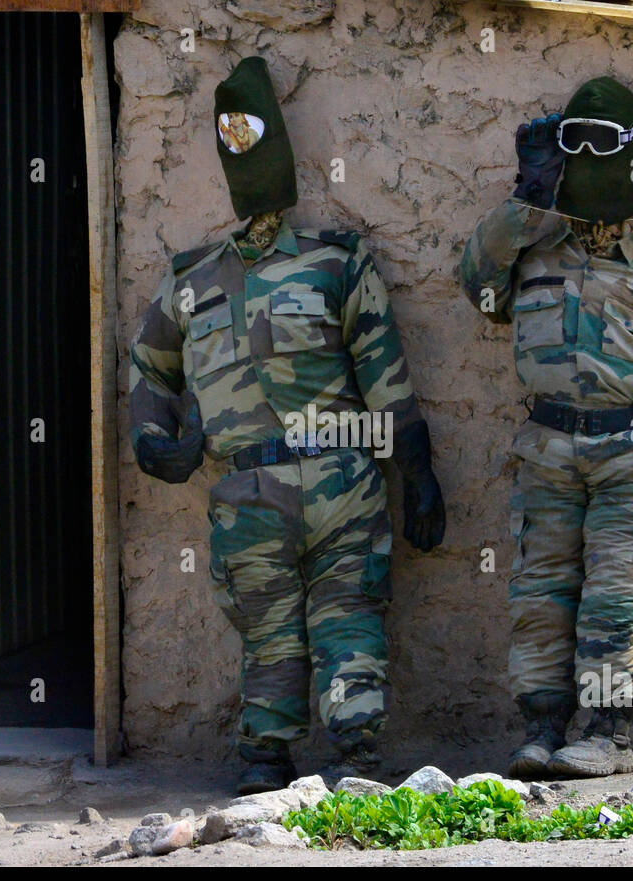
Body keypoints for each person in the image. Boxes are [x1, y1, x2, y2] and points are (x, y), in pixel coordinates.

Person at [129, 56, 446, 794]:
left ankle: (353, 767)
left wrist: (419, 473)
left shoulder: (336, 262)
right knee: (271, 633)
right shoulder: (191, 279)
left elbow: (386, 377)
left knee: (347, 621)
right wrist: (153, 442)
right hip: (250, 491)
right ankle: (267, 766)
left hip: (338, 475)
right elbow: (148, 367)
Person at [459, 76, 633, 778]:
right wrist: (526, 200)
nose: (585, 157)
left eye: (600, 143)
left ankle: (607, 733)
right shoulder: (528, 260)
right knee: (539, 593)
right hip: (546, 451)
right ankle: (541, 728)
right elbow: (476, 284)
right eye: (574, 142)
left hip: (629, 455)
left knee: (613, 596)